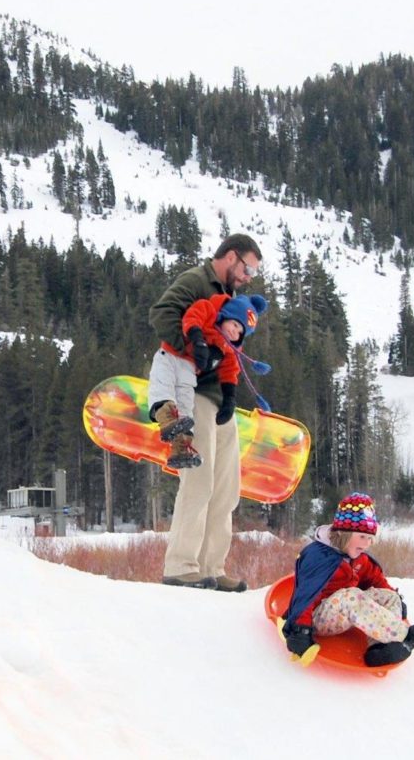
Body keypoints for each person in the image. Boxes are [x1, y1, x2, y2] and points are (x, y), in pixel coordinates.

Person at [149, 233, 263, 591]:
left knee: (227, 487)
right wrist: (195, 348)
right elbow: (162, 314)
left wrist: (230, 392)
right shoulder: (197, 280)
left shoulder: (231, 299)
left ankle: (211, 567)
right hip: (193, 391)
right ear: (230, 257)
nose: (248, 277)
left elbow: (227, 350)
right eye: (247, 268)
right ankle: (182, 565)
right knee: (199, 479)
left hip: (218, 399)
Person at [282, 492, 414, 667]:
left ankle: (380, 648)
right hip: (318, 618)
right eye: (362, 537)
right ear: (343, 533)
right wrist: (300, 630)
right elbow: (305, 594)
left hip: (345, 610)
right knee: (351, 596)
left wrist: (395, 598)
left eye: (370, 538)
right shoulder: (318, 556)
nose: (367, 543)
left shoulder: (358, 557)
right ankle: (402, 635)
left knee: (390, 596)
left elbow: (376, 579)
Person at [147, 291, 269, 469]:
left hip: (189, 370)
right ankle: (167, 418)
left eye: (240, 332)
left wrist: (229, 398)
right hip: (170, 356)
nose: (235, 332)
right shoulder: (209, 310)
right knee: (162, 386)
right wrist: (198, 340)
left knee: (185, 403)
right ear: (226, 315)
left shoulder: (228, 348)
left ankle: (181, 449)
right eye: (235, 324)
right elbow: (193, 317)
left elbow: (230, 371)